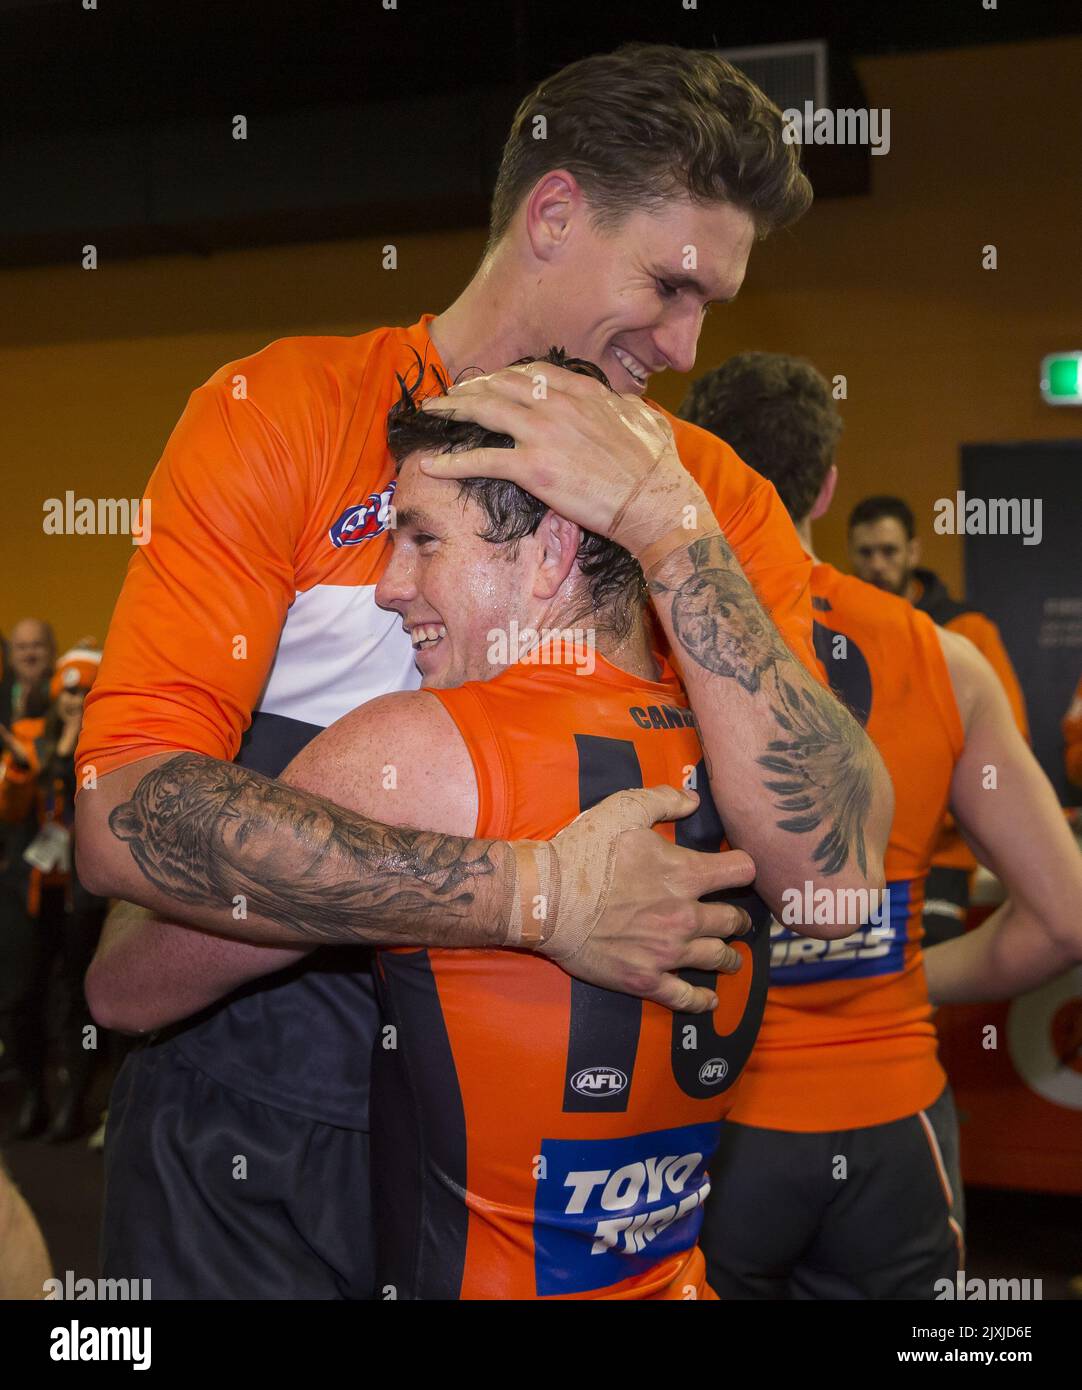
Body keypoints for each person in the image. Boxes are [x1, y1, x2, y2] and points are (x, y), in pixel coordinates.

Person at [78, 45, 887, 1298]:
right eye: (670, 286)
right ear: (554, 214)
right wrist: (533, 893)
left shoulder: (708, 493)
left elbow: (833, 877)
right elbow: (124, 818)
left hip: (561, 1122)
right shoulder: (285, 410)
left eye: (710, 305)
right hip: (261, 1104)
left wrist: (670, 537)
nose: (683, 345)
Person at [679, 351, 1082, 1298]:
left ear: (695, 467)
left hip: (710, 1121)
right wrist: (901, 971)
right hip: (892, 1129)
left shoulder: (653, 652)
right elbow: (1065, 919)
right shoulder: (945, 660)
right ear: (826, 485)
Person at [847, 494, 1029, 944]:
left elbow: (1007, 747)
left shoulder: (966, 630)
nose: (877, 565)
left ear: (913, 551)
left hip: (940, 853)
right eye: (865, 553)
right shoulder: (836, 632)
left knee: (927, 969)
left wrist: (933, 811)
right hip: (856, 852)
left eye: (889, 551)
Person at [0, 648, 108, 1142]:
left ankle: (73, 1102)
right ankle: (32, 1095)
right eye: (68, 688)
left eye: (85, 688)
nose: (75, 698)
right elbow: (9, 809)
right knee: (19, 998)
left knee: (77, 998)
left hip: (83, 893)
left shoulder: (108, 739)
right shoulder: (25, 738)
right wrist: (24, 769)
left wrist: (71, 751)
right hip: (28, 888)